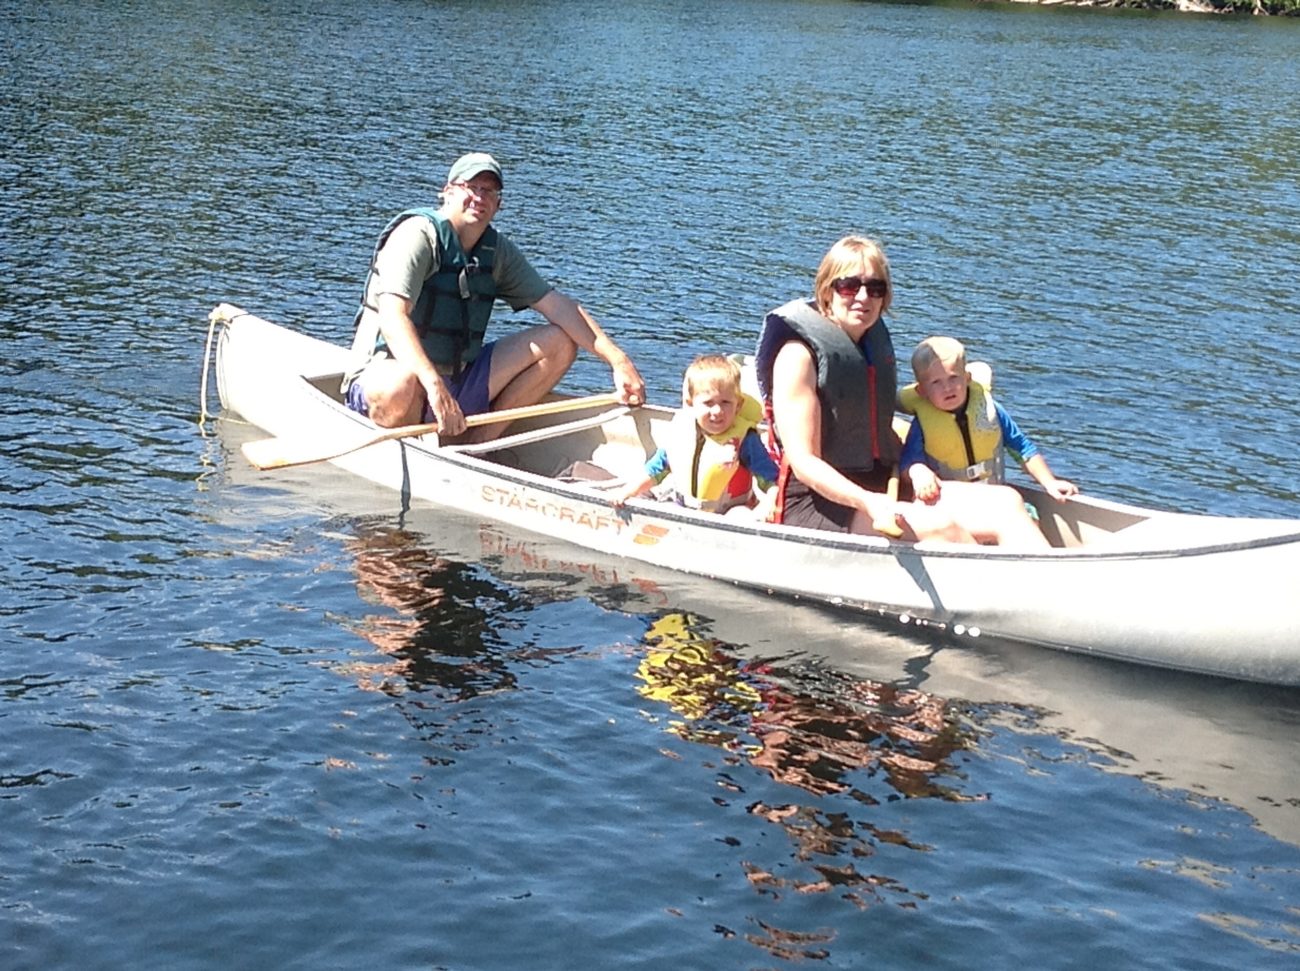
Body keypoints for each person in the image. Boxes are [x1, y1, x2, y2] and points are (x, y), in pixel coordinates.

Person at [753, 235, 1048, 547]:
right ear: (828, 289)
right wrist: (867, 500)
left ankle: (1052, 587)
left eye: (875, 288)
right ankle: (1001, 591)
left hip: (881, 482)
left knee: (1006, 504)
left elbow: (874, 432)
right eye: (849, 285)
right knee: (943, 529)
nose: (863, 297)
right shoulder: (797, 357)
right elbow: (804, 462)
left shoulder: (870, 345)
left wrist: (917, 466)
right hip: (817, 504)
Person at [342, 152, 645, 443]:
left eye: (490, 191)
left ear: (498, 205)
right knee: (402, 384)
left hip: (456, 379)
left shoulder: (496, 252)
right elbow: (393, 318)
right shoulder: (417, 236)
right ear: (447, 192)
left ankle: (478, 443)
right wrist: (434, 386)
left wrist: (618, 361)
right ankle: (413, 445)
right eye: (471, 187)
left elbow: (558, 306)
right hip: (388, 378)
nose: (480, 197)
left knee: (560, 343)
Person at [901, 336, 1078, 505]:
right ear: (922, 391)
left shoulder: (990, 409)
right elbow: (908, 463)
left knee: (1029, 513)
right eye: (936, 382)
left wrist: (1049, 482)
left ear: (967, 378)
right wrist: (918, 472)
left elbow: (1023, 449)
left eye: (953, 378)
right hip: (949, 501)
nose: (947, 388)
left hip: (993, 496)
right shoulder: (922, 424)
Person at [611, 354, 778, 514]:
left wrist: (769, 503)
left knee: (741, 515)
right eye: (708, 403)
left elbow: (769, 478)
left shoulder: (746, 440)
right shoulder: (681, 431)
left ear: (739, 405)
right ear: (691, 404)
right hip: (682, 505)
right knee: (656, 501)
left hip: (730, 511)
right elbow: (655, 470)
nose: (717, 411)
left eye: (726, 402)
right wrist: (627, 492)